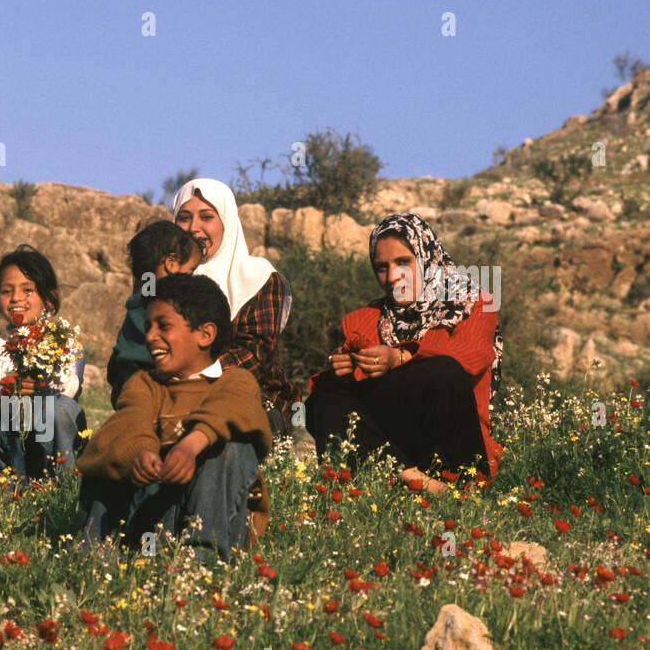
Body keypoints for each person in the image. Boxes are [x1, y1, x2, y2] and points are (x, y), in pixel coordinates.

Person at [78, 273, 272, 563]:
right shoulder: (145, 383)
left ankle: (201, 557)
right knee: (111, 447)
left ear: (206, 334)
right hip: (152, 516)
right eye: (148, 327)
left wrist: (189, 446)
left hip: (214, 517)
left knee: (231, 447)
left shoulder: (235, 381)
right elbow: (132, 418)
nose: (150, 336)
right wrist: (140, 453)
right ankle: (98, 555)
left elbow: (229, 408)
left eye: (163, 326)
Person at [305, 213, 504, 493]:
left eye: (403, 262)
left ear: (427, 258)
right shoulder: (362, 320)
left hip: (452, 444)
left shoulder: (475, 302)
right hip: (398, 445)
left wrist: (400, 358)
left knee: (444, 370)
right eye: (381, 267)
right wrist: (346, 371)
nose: (392, 276)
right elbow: (354, 398)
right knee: (322, 400)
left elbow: (472, 356)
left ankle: (462, 481)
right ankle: (420, 483)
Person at [172, 178, 300, 435]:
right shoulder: (164, 275)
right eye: (184, 217)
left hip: (252, 397)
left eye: (206, 217)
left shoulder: (259, 278)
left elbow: (254, 354)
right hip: (175, 395)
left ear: (227, 222)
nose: (193, 228)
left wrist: (192, 378)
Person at [0, 245, 86, 486]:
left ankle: (64, 491)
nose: (16, 298)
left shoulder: (64, 343)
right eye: (7, 291)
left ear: (49, 300)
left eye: (28, 290)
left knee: (59, 409)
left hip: (50, 436)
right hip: (5, 435)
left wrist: (37, 360)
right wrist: (9, 388)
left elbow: (68, 391)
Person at [106, 220, 202, 406]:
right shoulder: (160, 307)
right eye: (190, 270)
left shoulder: (142, 297)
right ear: (171, 264)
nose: (191, 277)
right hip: (147, 389)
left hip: (125, 385)